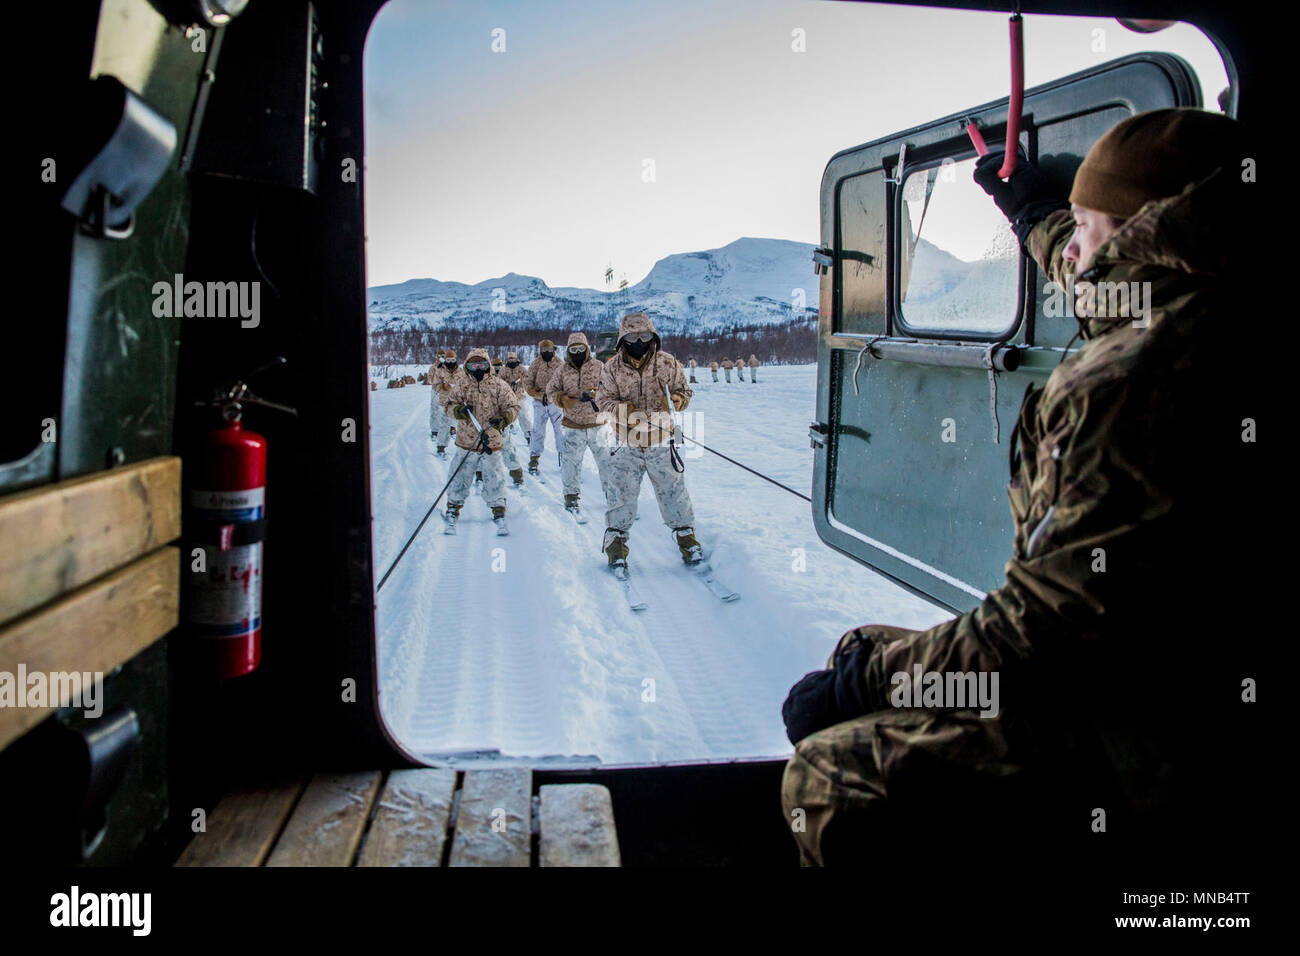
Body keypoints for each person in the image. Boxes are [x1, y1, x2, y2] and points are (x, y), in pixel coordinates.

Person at [778, 108, 1262, 866]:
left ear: (1140, 234)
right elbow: (1089, 270)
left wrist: (866, 685)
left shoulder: (1129, 382)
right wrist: (1033, 211)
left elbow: (1041, 635)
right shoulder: (1192, 286)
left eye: (1087, 225)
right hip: (1138, 669)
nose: (1070, 249)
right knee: (863, 649)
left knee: (826, 778)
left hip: (1136, 731)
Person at [596, 312, 704, 570]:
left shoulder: (667, 362)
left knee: (673, 492)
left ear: (653, 336)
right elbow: (603, 401)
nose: (639, 342)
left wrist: (677, 400)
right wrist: (626, 412)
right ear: (623, 339)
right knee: (621, 495)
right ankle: (616, 545)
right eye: (633, 337)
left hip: (661, 440)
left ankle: (687, 539)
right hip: (626, 442)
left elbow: (684, 391)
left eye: (644, 336)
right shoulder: (611, 368)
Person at [443, 348, 520, 536]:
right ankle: (453, 506)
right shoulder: (462, 385)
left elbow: (513, 406)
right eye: (474, 365)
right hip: (467, 441)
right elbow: (448, 406)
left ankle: (498, 508)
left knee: (495, 476)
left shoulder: (499, 385)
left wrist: (504, 418)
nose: (478, 368)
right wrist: (459, 411)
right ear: (467, 366)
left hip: (491, 441)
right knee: (460, 475)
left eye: (482, 364)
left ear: (488, 365)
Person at [545, 332, 610, 521]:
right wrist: (564, 399)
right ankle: (571, 497)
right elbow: (550, 391)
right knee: (571, 464)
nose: (578, 352)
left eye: (581, 348)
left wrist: (597, 394)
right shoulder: (562, 370)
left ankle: (612, 495)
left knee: (606, 463)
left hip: (598, 424)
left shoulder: (599, 366)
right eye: (574, 349)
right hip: (573, 425)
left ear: (587, 349)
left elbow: (612, 388)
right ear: (568, 351)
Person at [524, 338, 564, 475]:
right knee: (538, 431)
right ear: (540, 351)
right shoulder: (536, 363)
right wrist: (538, 393)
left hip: (555, 403)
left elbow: (565, 381)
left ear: (554, 350)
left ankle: (564, 459)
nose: (547, 352)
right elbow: (527, 382)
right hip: (539, 402)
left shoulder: (559, 363)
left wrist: (558, 395)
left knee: (560, 431)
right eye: (544, 350)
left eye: (549, 350)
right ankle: (534, 460)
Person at [430, 348, 465, 458]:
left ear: (456, 359)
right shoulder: (440, 370)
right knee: (444, 424)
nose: (450, 362)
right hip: (445, 402)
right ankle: (441, 446)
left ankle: (463, 449)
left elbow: (466, 385)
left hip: (458, 401)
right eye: (448, 360)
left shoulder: (460, 371)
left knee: (462, 424)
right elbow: (434, 385)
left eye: (452, 360)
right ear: (445, 360)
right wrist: (443, 386)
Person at [500, 350, 531, 442]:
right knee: (507, 417)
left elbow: (528, 379)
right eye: (510, 360)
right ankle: (505, 438)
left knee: (524, 416)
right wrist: (507, 383)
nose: (511, 361)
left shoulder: (522, 369)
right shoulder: (503, 370)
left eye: (513, 359)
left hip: (519, 396)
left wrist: (520, 382)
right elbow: (499, 381)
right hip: (507, 398)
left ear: (516, 359)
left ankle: (529, 435)